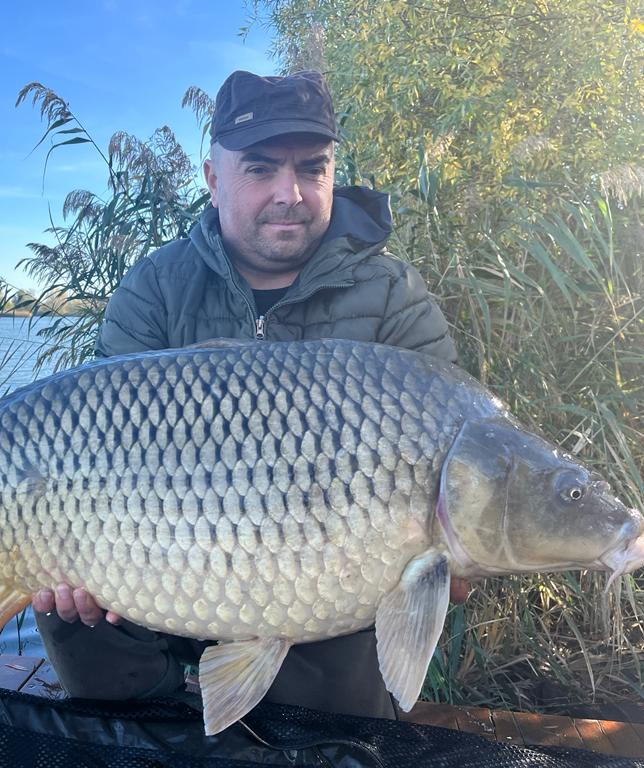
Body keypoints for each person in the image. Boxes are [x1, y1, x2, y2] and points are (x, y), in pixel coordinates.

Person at [32, 69, 465, 720]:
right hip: (156, 564)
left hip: (324, 583)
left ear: (332, 172)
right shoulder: (156, 289)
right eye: (260, 169)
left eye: (311, 168)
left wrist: (455, 557)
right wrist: (70, 556)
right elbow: (94, 441)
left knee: (337, 665)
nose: (289, 193)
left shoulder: (394, 299)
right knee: (67, 608)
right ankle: (152, 732)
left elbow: (455, 489)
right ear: (213, 178)